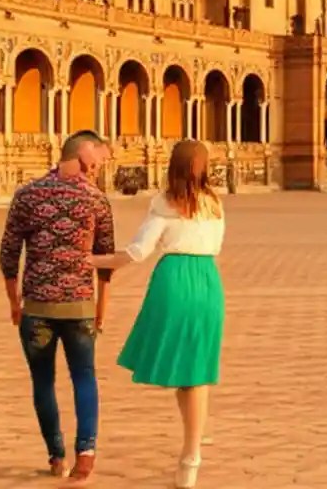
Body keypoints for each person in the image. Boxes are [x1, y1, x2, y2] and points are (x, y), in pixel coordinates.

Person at [90, 139, 225, 489]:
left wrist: (93, 261)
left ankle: (191, 454)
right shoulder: (215, 203)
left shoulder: (165, 203)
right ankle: (194, 440)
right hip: (209, 282)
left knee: (188, 373)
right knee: (195, 370)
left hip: (175, 282)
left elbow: (137, 252)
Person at [0, 130, 115, 482]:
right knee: (84, 376)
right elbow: (105, 262)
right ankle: (86, 452)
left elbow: (8, 254)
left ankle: (55, 455)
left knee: (43, 381)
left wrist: (14, 301)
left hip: (37, 307)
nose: (99, 167)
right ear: (82, 151)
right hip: (79, 306)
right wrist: (101, 311)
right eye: (97, 158)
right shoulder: (96, 199)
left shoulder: (27, 194)